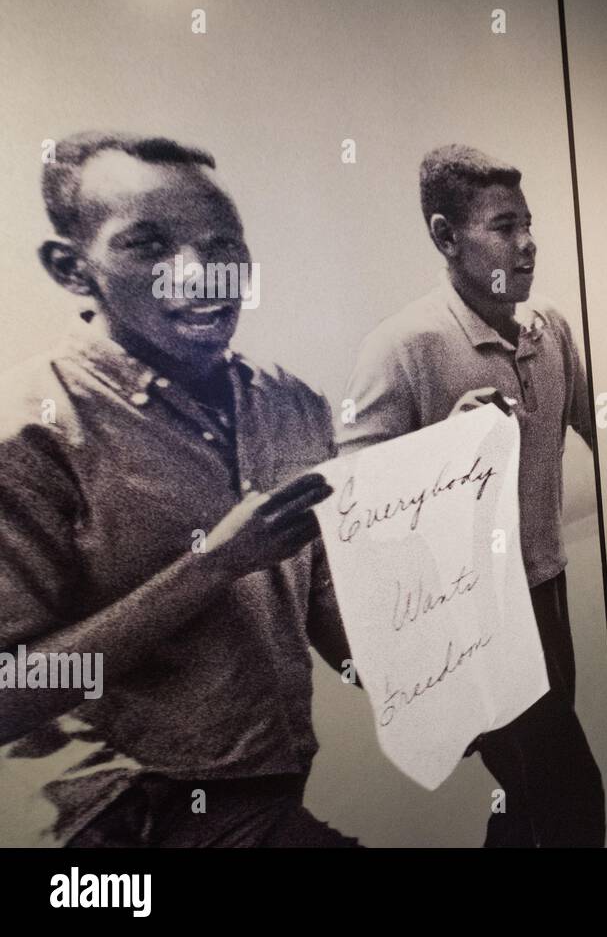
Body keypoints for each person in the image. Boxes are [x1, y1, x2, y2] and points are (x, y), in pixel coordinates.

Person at [0, 131, 359, 846]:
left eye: (224, 245)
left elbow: (322, 599)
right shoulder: (29, 434)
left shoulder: (291, 404)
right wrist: (213, 566)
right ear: (72, 270)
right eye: (149, 245)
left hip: (270, 790)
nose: (199, 274)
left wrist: (456, 689)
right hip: (115, 821)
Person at [341, 144, 605, 847]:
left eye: (528, 223)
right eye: (504, 226)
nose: (527, 244)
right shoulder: (400, 350)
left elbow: (599, 426)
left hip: (548, 592)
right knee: (574, 800)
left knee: (526, 804)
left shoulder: (550, 329)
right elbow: (355, 517)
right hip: (474, 628)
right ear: (445, 236)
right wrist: (440, 458)